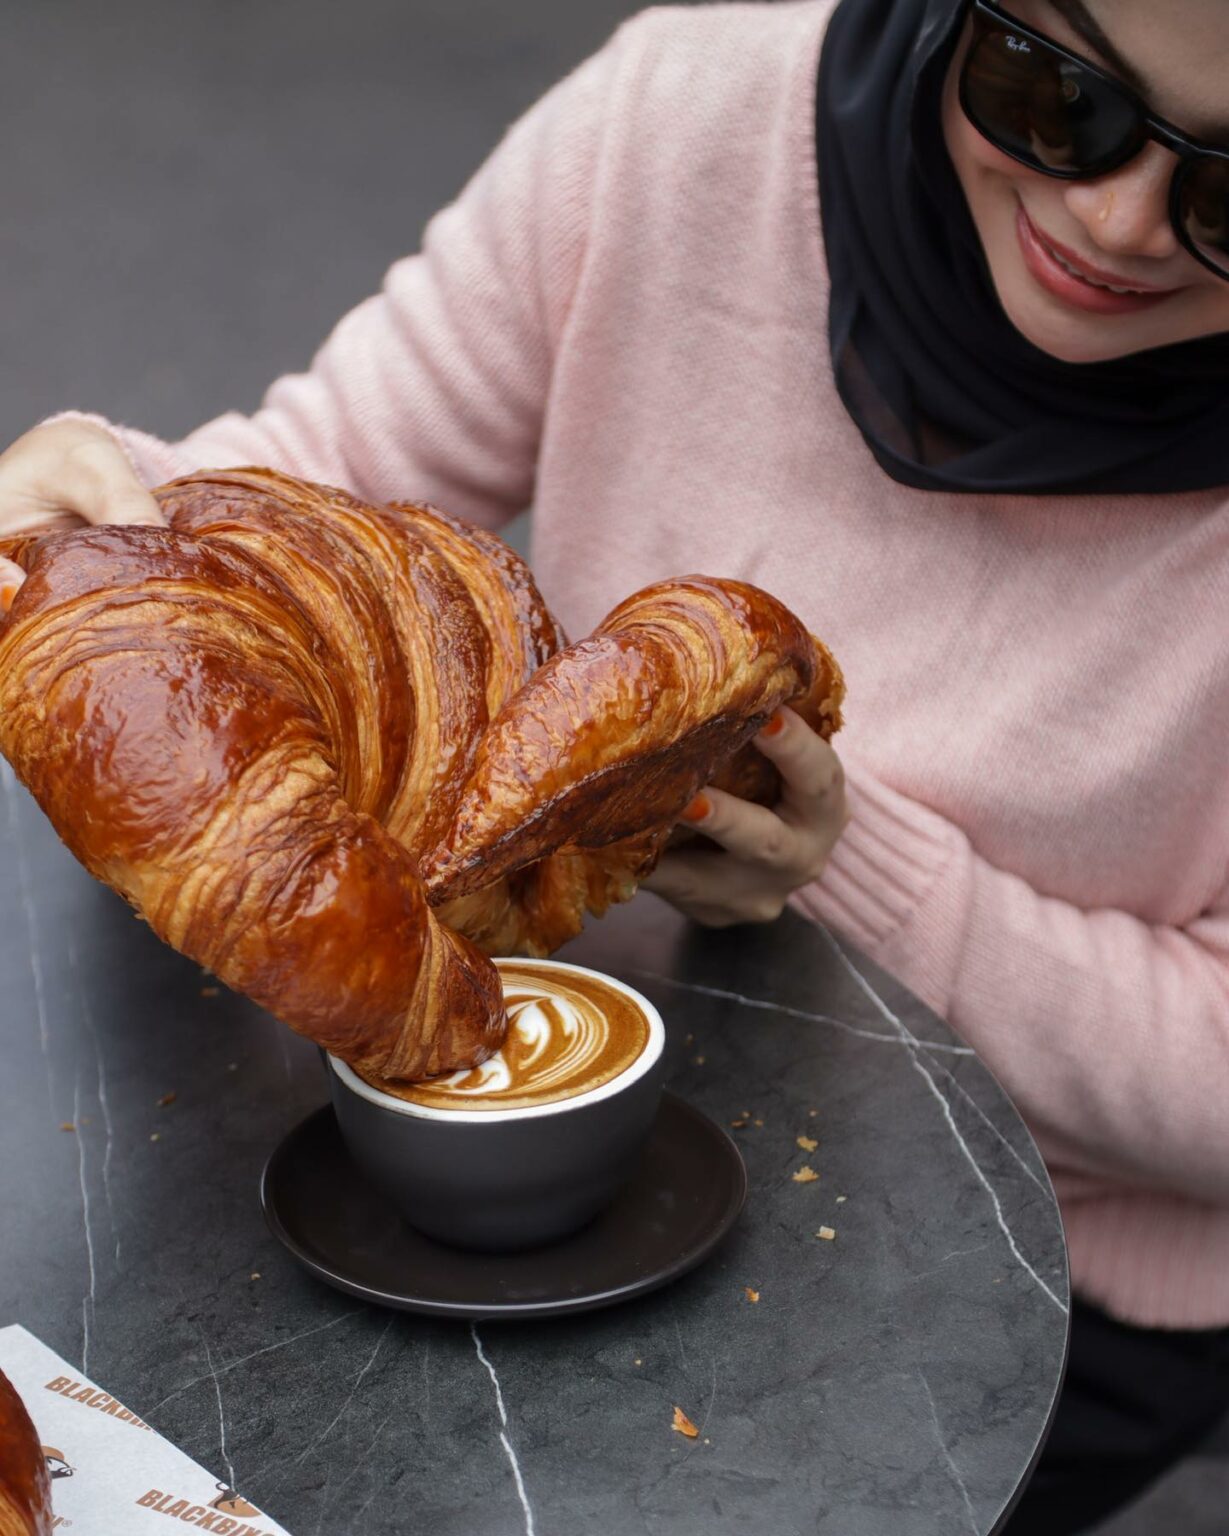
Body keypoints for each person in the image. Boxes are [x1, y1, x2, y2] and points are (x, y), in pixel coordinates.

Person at [1, 0, 1227, 1528]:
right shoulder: (687, 122)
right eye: (1048, 93)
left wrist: (858, 870)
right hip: (509, 1078)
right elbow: (333, 497)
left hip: (1041, 1273)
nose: (1113, 221)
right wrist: (112, 533)